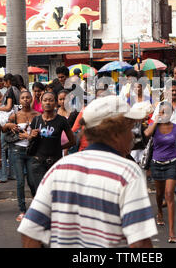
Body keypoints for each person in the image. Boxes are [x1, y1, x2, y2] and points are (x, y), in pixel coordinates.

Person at [18, 95, 157, 248]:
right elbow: (141, 243)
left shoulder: (59, 169)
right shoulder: (127, 173)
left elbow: (31, 230)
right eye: (129, 129)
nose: (132, 135)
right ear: (115, 133)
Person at [145, 101, 176, 243]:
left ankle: (172, 231)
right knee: (159, 194)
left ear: (172, 113)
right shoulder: (154, 127)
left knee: (169, 194)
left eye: (167, 112)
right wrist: (156, 120)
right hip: (156, 164)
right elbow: (147, 134)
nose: (165, 114)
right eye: (162, 112)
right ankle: (160, 212)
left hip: (172, 164)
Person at [2, 91, 40, 222]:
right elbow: (4, 130)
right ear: (20, 100)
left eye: (28, 97)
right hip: (17, 151)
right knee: (20, 182)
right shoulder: (15, 115)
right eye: (23, 98)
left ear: (32, 99)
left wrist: (31, 136)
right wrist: (8, 125)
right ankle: (22, 210)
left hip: (32, 152)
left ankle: (36, 207)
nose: (25, 100)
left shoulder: (37, 115)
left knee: (32, 181)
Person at [26, 92, 76, 190]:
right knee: (40, 190)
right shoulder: (36, 120)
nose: (48, 103)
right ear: (41, 103)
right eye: (45, 100)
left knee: (53, 191)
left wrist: (59, 147)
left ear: (55, 103)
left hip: (55, 163)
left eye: (51, 100)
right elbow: (30, 139)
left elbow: (73, 141)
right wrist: (31, 136)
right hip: (38, 162)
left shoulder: (61, 120)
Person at [0, 73, 20, 183]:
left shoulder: (9, 91)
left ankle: (1, 176)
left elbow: (8, 107)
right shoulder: (16, 90)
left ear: (8, 81)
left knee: (1, 149)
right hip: (14, 120)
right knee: (12, 148)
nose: (3, 83)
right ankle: (13, 174)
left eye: (4, 81)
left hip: (6, 122)